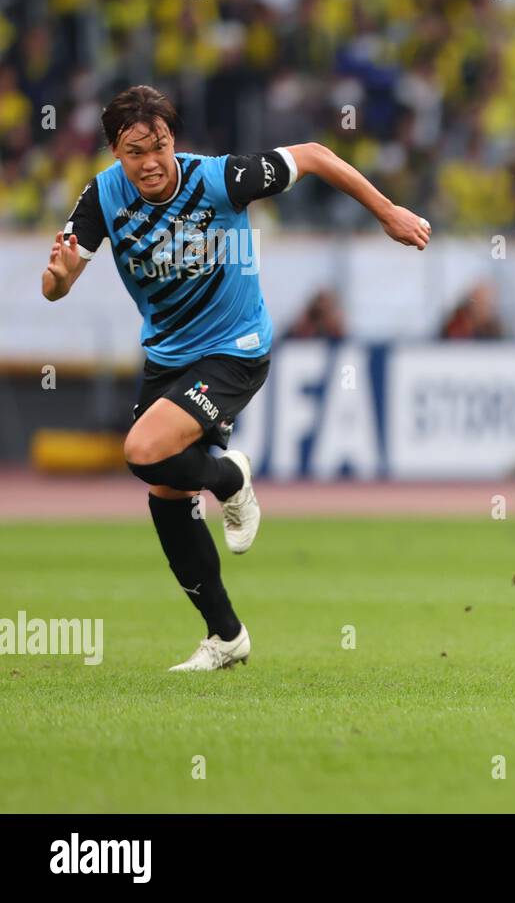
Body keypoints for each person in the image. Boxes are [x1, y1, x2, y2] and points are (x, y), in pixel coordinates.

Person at [43, 85, 430, 671]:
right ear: (114, 152)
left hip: (235, 350)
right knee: (167, 494)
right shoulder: (102, 195)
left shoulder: (223, 179)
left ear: (174, 140)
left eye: (160, 145)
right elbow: (53, 284)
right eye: (133, 151)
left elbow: (318, 155)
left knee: (143, 451)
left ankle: (228, 475)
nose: (149, 162)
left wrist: (389, 213)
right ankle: (226, 636)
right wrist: (61, 280)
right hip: (168, 357)